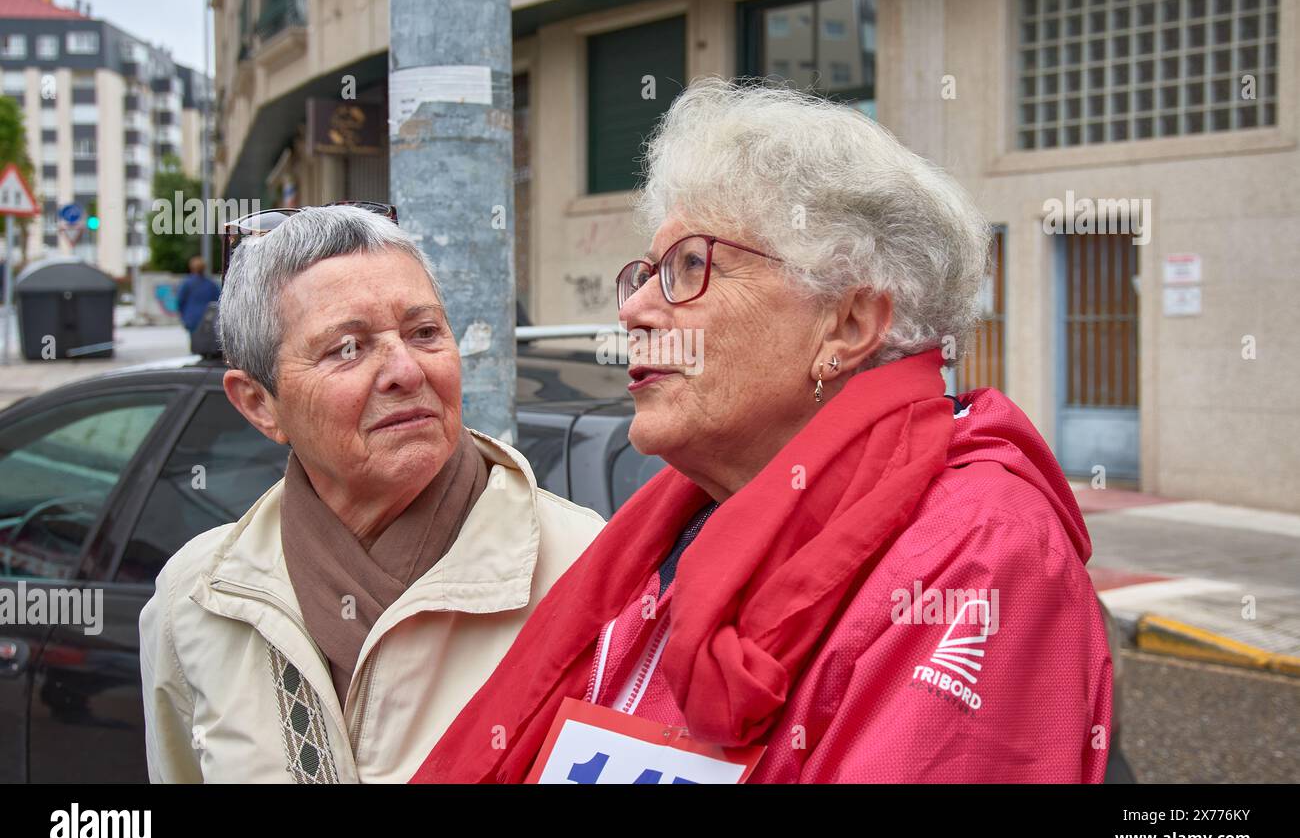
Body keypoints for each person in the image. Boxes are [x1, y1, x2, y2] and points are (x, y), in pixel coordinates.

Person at [414, 78, 1113, 784]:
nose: (636, 311)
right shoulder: (679, 524)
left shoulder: (981, 551)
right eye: (648, 272)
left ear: (847, 325)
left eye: (692, 265)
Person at [139, 205, 604, 782]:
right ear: (259, 403)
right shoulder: (197, 599)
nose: (406, 370)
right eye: (347, 348)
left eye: (425, 332)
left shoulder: (591, 572)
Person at [174, 255, 220, 338]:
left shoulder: (186, 284)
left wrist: (183, 316)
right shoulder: (211, 284)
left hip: (191, 319)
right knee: (205, 344)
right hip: (207, 319)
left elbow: (180, 301)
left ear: (191, 268)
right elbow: (218, 301)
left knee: (194, 343)